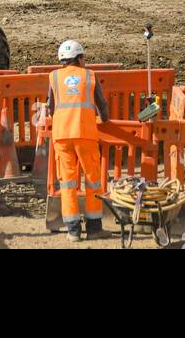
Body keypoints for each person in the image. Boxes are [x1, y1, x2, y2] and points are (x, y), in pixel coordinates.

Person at [45, 39, 109, 242]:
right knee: (93, 181)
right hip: (85, 133)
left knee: (68, 183)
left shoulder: (54, 76)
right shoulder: (89, 75)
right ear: (79, 58)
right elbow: (102, 105)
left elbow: (50, 106)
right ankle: (94, 227)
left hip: (62, 136)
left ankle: (73, 231)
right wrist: (104, 120)